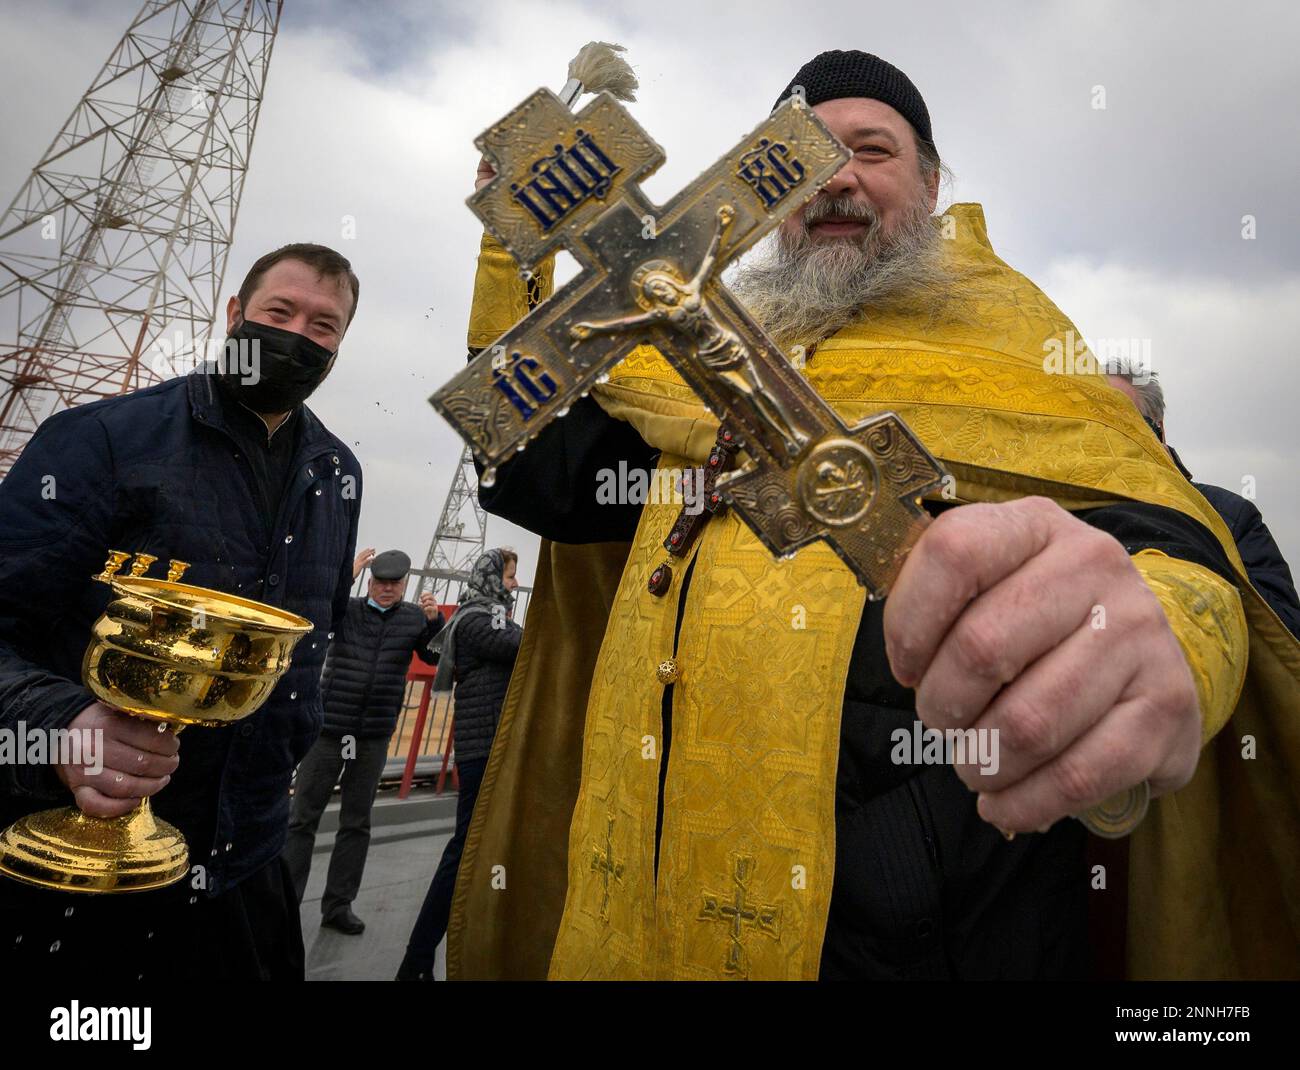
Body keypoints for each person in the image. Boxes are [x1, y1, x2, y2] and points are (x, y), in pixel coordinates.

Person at [446, 51, 1299, 981]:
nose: (837, 176)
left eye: (872, 150)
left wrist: (1152, 635)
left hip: (945, 908)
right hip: (663, 883)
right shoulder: (681, 354)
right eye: (802, 155)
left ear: (931, 185)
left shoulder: (1014, 339)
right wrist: (513, 246)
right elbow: (535, 472)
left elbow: (1156, 535)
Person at [0, 242, 363, 980]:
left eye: (324, 326)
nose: (298, 336)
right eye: (280, 312)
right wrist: (58, 726)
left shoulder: (336, 473)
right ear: (235, 315)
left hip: (246, 860)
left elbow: (313, 645)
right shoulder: (103, 439)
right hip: (79, 858)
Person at [282, 547, 444, 934]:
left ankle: (339, 905)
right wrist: (345, 577)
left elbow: (434, 658)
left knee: (356, 822)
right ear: (369, 582)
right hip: (330, 729)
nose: (387, 589)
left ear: (404, 586)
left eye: (394, 584)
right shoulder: (348, 610)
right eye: (380, 582)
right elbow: (318, 613)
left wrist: (436, 623)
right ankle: (284, 903)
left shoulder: (413, 619)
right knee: (302, 818)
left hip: (373, 734)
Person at [396, 548, 520, 980]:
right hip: (483, 749)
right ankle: (417, 958)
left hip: (484, 749)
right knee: (463, 849)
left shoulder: (479, 617)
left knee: (475, 847)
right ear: (490, 578)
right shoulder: (477, 621)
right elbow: (525, 643)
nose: (514, 585)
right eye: (509, 578)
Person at [1106, 366, 1300, 639]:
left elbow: (1287, 633)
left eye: (1122, 422)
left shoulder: (1230, 515)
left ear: (1158, 429)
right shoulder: (1062, 514)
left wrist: (1195, 546)